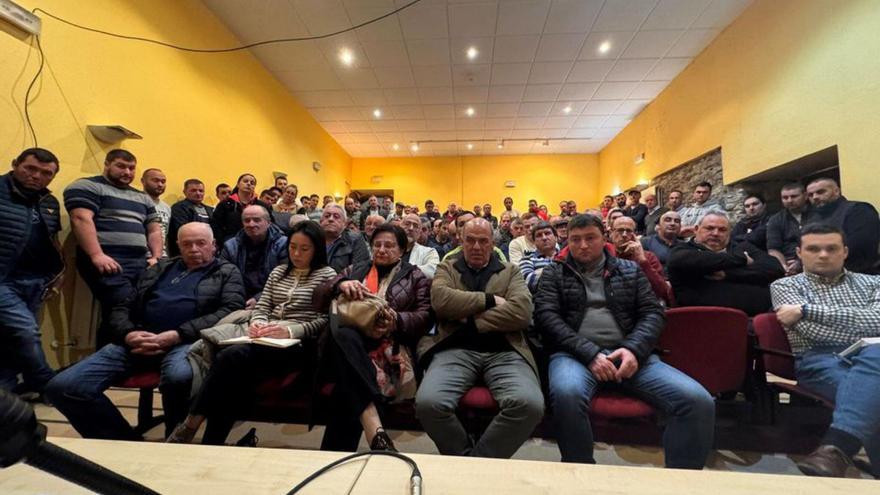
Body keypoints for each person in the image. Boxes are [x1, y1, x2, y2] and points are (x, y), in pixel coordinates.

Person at [535, 214, 714, 467]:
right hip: (574, 355)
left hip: (632, 354)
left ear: (603, 238)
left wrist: (632, 349)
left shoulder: (629, 270)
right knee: (567, 394)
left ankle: (681, 479)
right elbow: (546, 318)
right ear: (567, 241)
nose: (583, 245)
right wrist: (590, 354)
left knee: (698, 400)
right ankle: (579, 471)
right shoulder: (554, 272)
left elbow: (653, 313)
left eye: (590, 238)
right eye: (575, 239)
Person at [45, 223, 245, 440]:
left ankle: (175, 440)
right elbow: (122, 306)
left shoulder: (227, 271)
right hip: (137, 340)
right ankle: (122, 441)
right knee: (62, 387)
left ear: (214, 245)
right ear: (178, 245)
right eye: (187, 244)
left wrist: (177, 334)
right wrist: (128, 334)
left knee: (179, 377)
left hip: (186, 342)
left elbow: (230, 310)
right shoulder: (159, 268)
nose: (194, 249)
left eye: (201, 243)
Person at [167, 221, 336, 445]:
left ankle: (191, 425)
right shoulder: (279, 272)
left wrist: (289, 330)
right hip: (263, 338)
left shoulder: (327, 275)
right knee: (232, 379)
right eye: (292, 247)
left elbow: (324, 319)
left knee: (229, 358)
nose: (296, 253)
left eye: (304, 249)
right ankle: (210, 442)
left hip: (299, 345)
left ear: (317, 249)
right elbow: (263, 306)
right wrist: (257, 323)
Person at [415, 218, 543, 458]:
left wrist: (468, 318)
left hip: (505, 350)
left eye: (483, 241)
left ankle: (477, 462)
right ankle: (466, 458)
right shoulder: (447, 268)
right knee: (428, 404)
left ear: (492, 243)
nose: (476, 246)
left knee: (530, 405)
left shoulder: (510, 271)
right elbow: (442, 301)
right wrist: (490, 300)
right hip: (455, 348)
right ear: (460, 241)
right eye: (470, 240)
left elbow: (522, 312)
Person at [770, 224, 880, 478]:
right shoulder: (784, 286)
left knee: (875, 357)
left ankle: (836, 449)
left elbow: (878, 321)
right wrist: (864, 328)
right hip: (820, 359)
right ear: (799, 252)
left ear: (845, 252)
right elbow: (815, 334)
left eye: (831, 248)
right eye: (813, 249)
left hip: (874, 356)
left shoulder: (873, 282)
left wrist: (808, 310)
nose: (822, 254)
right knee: (871, 392)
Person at [315, 224, 433, 452]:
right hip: (346, 345)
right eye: (377, 245)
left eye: (389, 245)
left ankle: (336, 455)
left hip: (388, 348)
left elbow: (425, 316)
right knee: (344, 334)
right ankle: (375, 432)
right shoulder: (355, 270)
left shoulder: (414, 275)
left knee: (346, 384)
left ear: (402, 250)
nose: (381, 250)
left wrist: (397, 320)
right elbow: (319, 297)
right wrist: (340, 284)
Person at [64, 149, 163, 343]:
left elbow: (154, 230)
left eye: (131, 168)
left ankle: (115, 360)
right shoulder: (87, 186)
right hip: (107, 258)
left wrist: (156, 257)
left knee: (132, 310)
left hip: (139, 261)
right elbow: (81, 218)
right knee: (123, 307)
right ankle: (110, 360)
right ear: (107, 164)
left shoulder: (142, 197)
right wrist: (97, 255)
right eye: (121, 166)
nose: (127, 172)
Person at [0, 148, 63, 395]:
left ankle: (6, 391)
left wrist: (58, 276)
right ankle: (47, 383)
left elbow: (53, 240)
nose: (37, 176)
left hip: (36, 281)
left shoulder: (48, 202)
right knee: (26, 331)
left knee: (11, 337)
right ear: (15, 164)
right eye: (30, 169)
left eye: (46, 173)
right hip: (4, 280)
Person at [667, 212, 784, 315]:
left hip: (756, 318)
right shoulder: (683, 250)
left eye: (722, 230)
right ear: (696, 229)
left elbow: (775, 268)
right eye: (709, 228)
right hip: (703, 321)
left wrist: (728, 274)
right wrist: (741, 259)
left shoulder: (742, 247)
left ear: (730, 233)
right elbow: (686, 261)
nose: (716, 233)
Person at [803, 177, 879, 274]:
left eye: (821, 192)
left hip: (860, 275)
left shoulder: (859, 210)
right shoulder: (812, 219)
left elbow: (860, 245)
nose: (815, 197)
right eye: (810, 195)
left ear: (836, 191)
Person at [219, 205, 288, 309]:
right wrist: (237, 301)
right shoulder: (230, 246)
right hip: (237, 300)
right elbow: (224, 279)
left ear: (268, 223)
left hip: (272, 300)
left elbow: (285, 279)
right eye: (247, 220)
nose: (251, 224)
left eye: (257, 220)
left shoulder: (284, 245)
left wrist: (259, 299)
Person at [610, 216, 673, 305]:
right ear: (611, 233)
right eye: (620, 230)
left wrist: (642, 261)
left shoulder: (648, 256)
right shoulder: (605, 255)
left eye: (628, 231)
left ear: (635, 235)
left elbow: (662, 291)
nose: (624, 234)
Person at [211, 173, 272, 245]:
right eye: (245, 181)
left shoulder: (262, 205)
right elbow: (216, 224)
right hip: (231, 244)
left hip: (257, 244)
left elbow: (270, 223)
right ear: (238, 184)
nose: (249, 184)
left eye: (252, 183)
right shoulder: (225, 204)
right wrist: (223, 241)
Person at [766, 182, 808, 276]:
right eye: (785, 198)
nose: (789, 200)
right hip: (788, 266)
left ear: (805, 196)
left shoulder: (817, 215)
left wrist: (800, 262)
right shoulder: (776, 219)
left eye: (794, 196)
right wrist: (784, 266)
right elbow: (773, 248)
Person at [169, 179, 214, 257]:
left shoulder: (211, 210)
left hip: (209, 252)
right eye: (193, 190)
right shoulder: (179, 208)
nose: (198, 193)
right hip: (188, 252)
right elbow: (182, 230)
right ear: (185, 192)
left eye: (201, 191)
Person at [442, 211, 507, 262]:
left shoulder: (496, 252)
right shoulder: (449, 258)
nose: (467, 226)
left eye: (471, 222)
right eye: (462, 224)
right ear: (457, 233)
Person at [322, 204, 370, 273]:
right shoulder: (312, 239)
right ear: (321, 221)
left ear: (344, 224)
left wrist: (338, 282)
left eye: (336, 217)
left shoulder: (355, 239)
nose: (330, 219)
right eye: (327, 216)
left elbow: (359, 268)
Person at [519, 221, 559, 293]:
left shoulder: (566, 256)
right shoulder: (527, 259)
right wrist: (558, 270)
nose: (544, 238)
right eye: (539, 235)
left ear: (556, 237)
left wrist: (539, 272)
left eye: (547, 233)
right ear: (534, 242)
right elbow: (528, 283)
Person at [140, 169, 171, 258]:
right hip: (142, 256)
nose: (160, 184)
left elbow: (166, 235)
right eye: (155, 180)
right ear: (143, 181)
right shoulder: (136, 202)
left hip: (163, 257)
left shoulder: (167, 207)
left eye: (163, 181)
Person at [401, 213, 440, 278]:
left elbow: (432, 272)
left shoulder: (429, 252)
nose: (411, 228)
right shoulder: (388, 248)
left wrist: (401, 270)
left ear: (419, 232)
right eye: (407, 224)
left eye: (415, 226)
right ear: (399, 227)